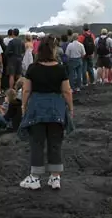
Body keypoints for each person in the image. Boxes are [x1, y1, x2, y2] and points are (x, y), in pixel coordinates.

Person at [18, 36, 74, 190]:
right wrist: (70, 107)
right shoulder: (61, 69)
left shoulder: (33, 68)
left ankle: (35, 178)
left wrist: (23, 105)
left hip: (37, 108)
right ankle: (55, 178)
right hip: (56, 108)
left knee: (37, 142)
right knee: (55, 142)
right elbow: (67, 91)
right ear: (53, 50)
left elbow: (27, 89)